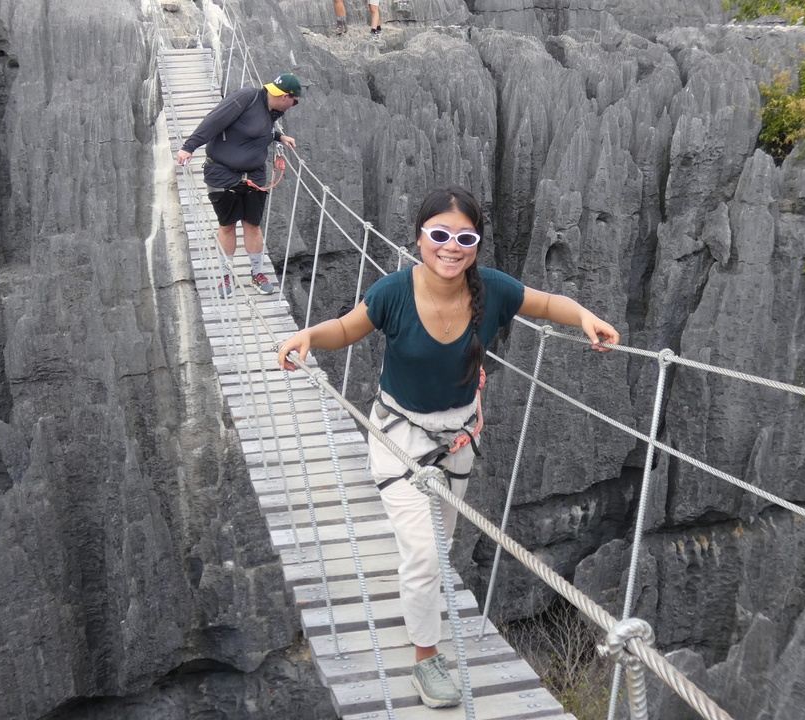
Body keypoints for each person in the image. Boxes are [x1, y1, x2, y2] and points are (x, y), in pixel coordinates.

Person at [276, 186, 619, 709]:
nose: (451, 247)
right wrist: (307, 337)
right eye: (439, 234)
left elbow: (548, 304)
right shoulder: (393, 292)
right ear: (419, 237)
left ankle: (420, 598)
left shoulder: (493, 291)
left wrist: (585, 318)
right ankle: (426, 658)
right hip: (398, 438)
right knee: (424, 555)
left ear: (477, 244)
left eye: (465, 237)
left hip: (459, 439)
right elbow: (347, 329)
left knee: (437, 549)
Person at [175, 73, 301, 298]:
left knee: (252, 225)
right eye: (295, 100)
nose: (295, 105)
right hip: (222, 174)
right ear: (284, 96)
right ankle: (225, 276)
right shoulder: (248, 98)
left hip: (254, 175)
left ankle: (256, 274)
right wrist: (189, 147)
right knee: (227, 226)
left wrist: (279, 137)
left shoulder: (274, 110)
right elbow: (214, 120)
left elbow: (258, 129)